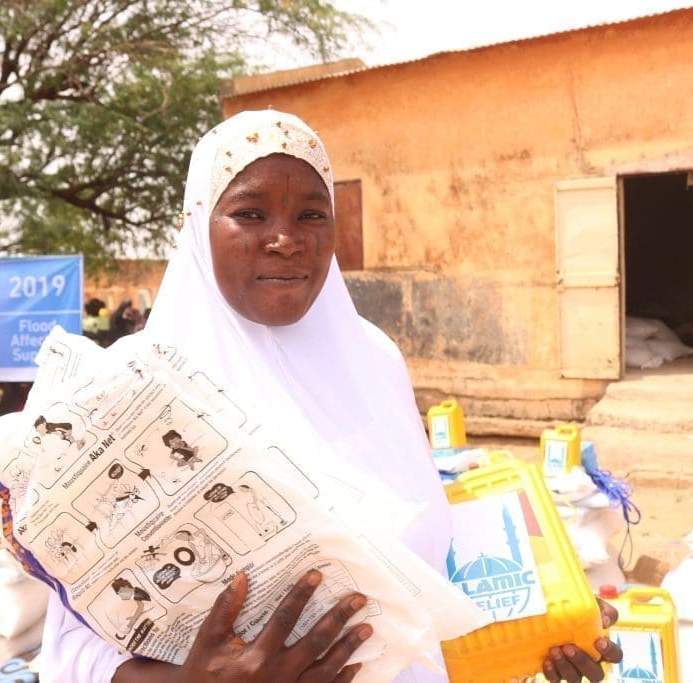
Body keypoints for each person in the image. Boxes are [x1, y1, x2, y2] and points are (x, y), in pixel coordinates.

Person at [37, 110, 622, 682]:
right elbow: (71, 652)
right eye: (249, 213)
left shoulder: (375, 362)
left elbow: (424, 573)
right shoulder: (132, 394)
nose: (286, 240)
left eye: (312, 214)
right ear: (197, 226)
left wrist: (545, 619)